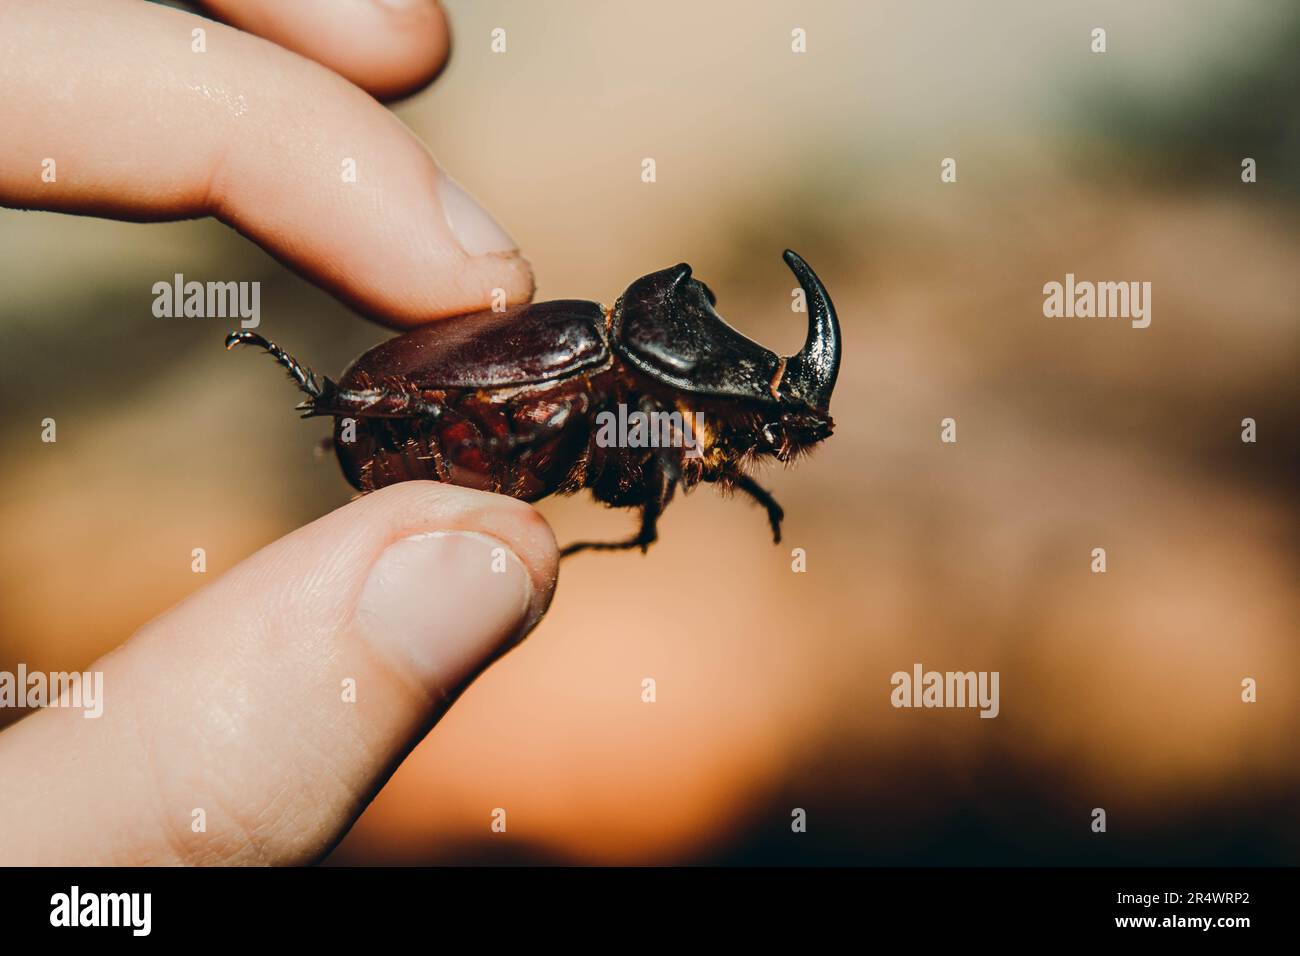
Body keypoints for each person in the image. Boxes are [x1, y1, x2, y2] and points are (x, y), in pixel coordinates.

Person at [0, 0, 559, 865]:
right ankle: (329, 397)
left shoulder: (629, 426)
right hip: (397, 414)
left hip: (418, 439)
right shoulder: (580, 354)